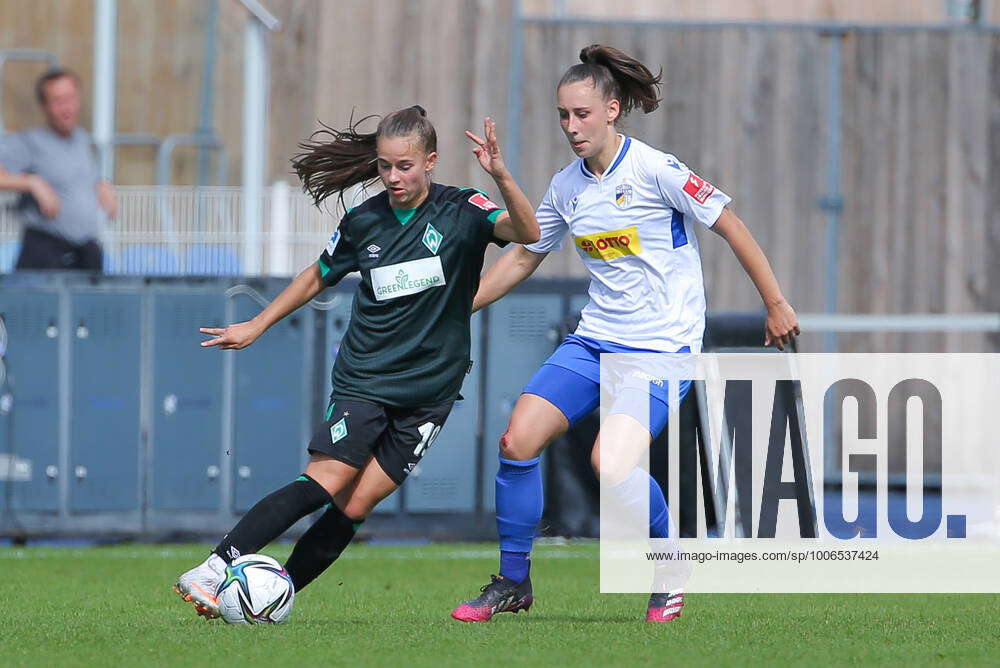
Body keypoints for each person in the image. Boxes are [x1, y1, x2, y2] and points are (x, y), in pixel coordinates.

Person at [450, 45, 800, 624]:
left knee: (609, 464)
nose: (571, 126)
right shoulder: (566, 187)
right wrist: (457, 308)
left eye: (582, 114)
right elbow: (521, 257)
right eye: (563, 115)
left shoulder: (657, 169)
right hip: (593, 342)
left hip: (663, 349)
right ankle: (513, 582)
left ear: (612, 109)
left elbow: (730, 224)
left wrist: (775, 302)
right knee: (517, 441)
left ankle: (671, 563)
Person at [173, 105, 539, 618]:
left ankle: (271, 600)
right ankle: (214, 566)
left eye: (405, 166)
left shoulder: (465, 210)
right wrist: (257, 324)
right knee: (325, 481)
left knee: (356, 505)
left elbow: (527, 231)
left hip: (430, 394)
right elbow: (315, 275)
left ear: (430, 162)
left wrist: (501, 175)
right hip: (366, 379)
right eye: (385, 165)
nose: (393, 176)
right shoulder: (364, 220)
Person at [0, 68, 116, 271]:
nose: (66, 108)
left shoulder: (82, 140)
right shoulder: (30, 142)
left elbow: (79, 179)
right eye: (58, 101)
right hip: (46, 252)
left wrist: (101, 187)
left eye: (70, 98)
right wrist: (32, 182)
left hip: (85, 251)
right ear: (45, 106)